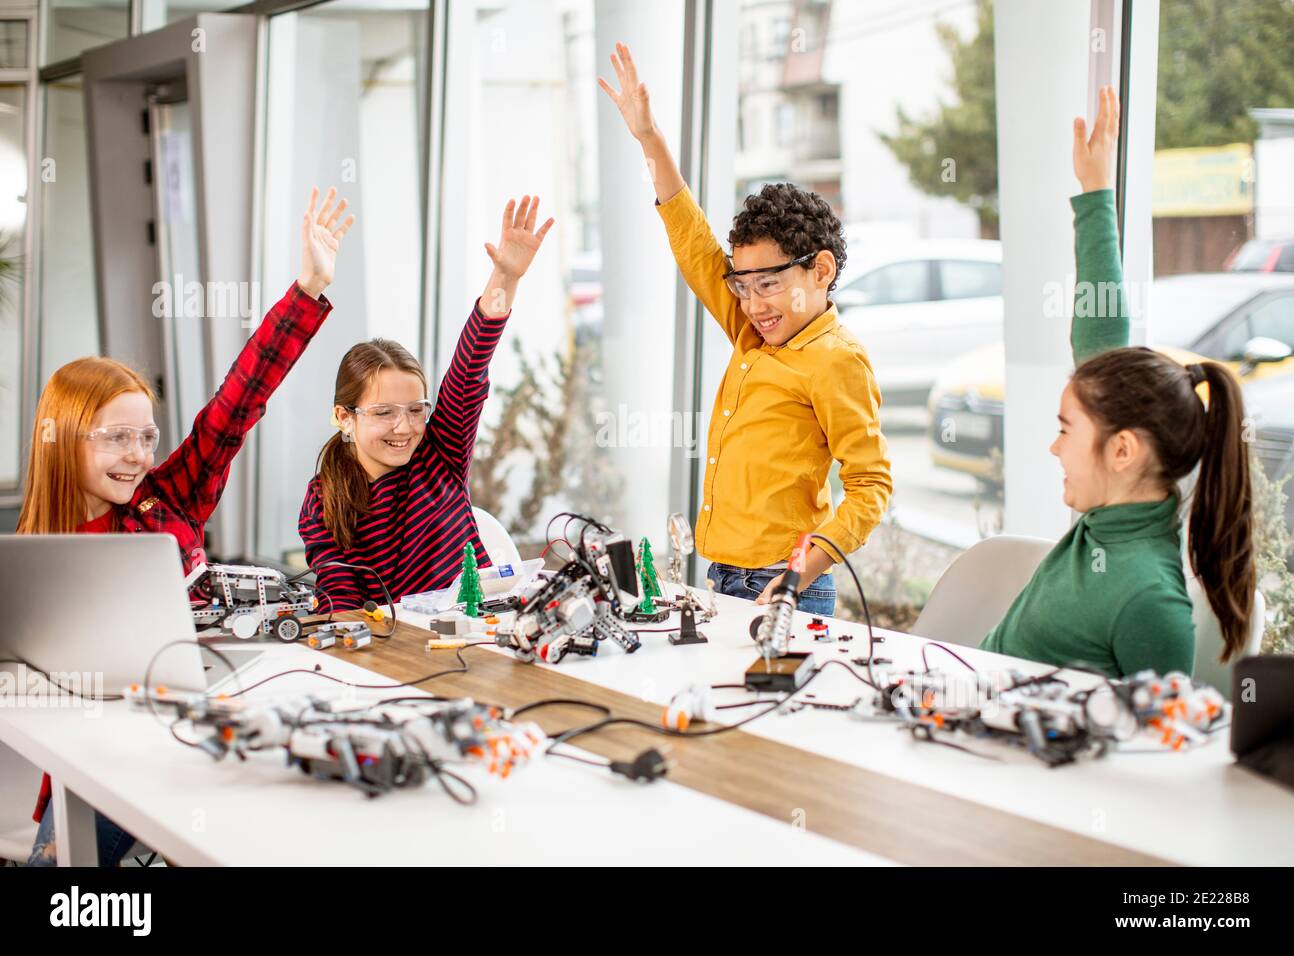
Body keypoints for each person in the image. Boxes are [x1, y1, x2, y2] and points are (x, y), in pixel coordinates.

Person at [20, 187, 354, 865]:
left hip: (198, 730)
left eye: (146, 436)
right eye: (117, 439)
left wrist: (307, 288)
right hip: (100, 754)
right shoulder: (32, 560)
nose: (139, 456)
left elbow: (236, 403)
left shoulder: (169, 498)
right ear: (65, 440)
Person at [599, 42, 892, 615]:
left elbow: (870, 485)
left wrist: (803, 571)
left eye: (770, 283)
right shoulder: (755, 331)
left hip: (786, 585)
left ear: (821, 270)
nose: (754, 302)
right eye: (743, 284)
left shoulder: (835, 359)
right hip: (722, 575)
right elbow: (693, 243)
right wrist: (651, 141)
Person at [980, 87, 1255, 677]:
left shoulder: (1146, 599)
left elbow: (1151, 757)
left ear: (1123, 450)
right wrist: (1096, 193)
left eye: (1065, 430)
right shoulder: (1109, 524)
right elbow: (1100, 336)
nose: (1054, 446)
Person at [299, 195, 553, 608]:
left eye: (416, 409)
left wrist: (505, 277)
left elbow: (469, 369)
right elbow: (342, 605)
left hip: (485, 634)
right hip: (403, 656)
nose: (405, 427)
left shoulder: (440, 451)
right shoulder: (324, 499)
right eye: (383, 413)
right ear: (344, 417)